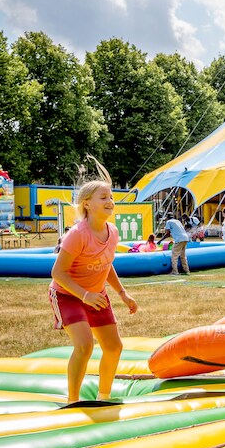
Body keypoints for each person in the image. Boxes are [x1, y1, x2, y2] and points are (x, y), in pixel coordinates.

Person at [49, 158, 138, 404]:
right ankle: (73, 401)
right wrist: (84, 295)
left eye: (111, 197)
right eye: (103, 197)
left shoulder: (113, 232)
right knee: (85, 346)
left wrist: (122, 293)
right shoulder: (78, 234)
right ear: (87, 204)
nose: (110, 201)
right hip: (68, 294)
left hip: (96, 294)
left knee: (113, 347)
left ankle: (104, 397)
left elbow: (106, 265)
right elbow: (58, 272)